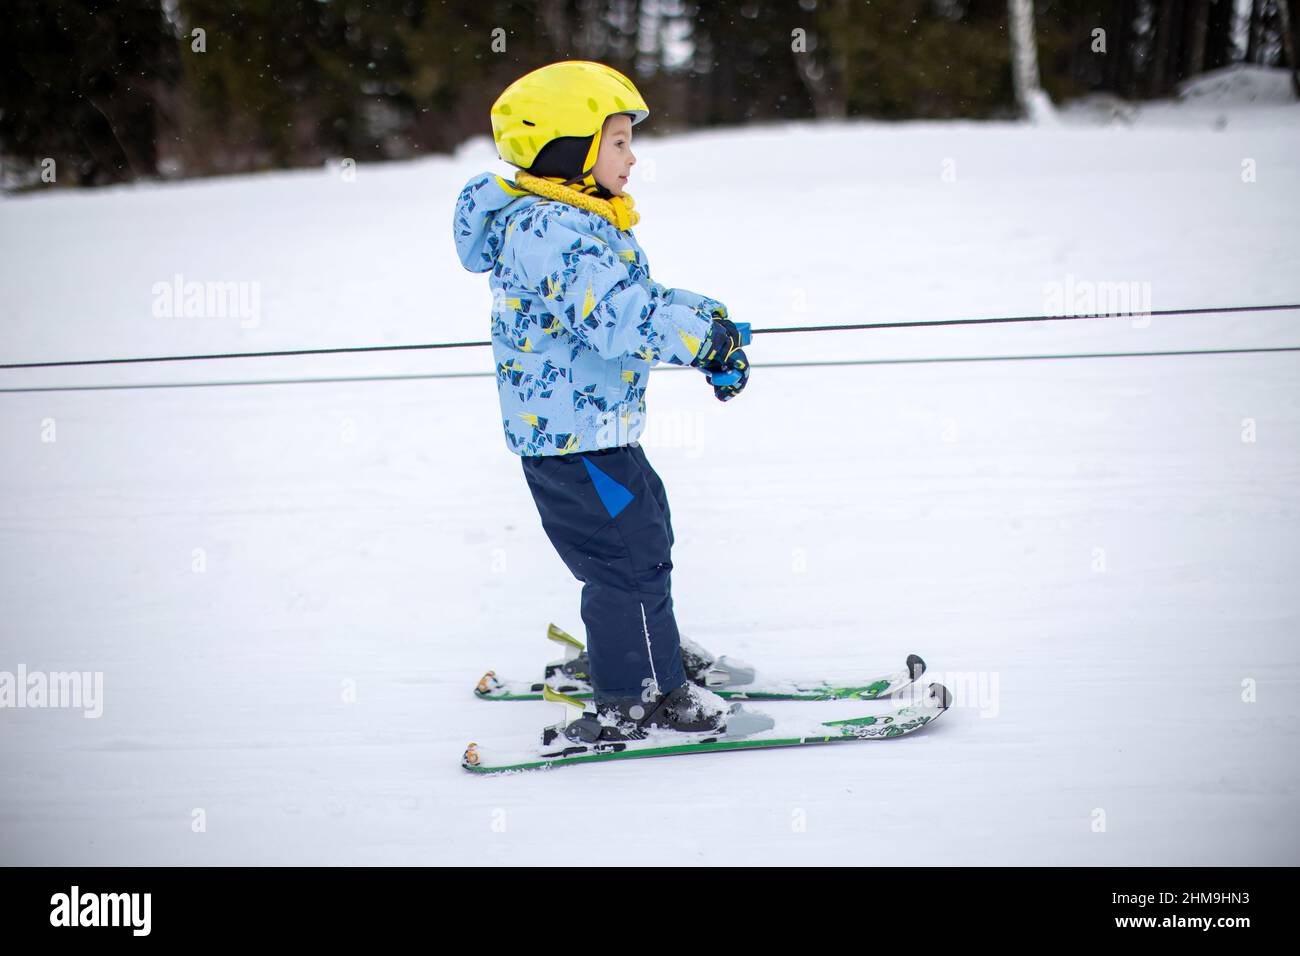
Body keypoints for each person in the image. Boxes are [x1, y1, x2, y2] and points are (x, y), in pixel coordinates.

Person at [452, 60, 751, 744]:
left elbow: (641, 300)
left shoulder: (578, 223)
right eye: (618, 141)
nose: (632, 156)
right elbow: (620, 318)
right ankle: (637, 688)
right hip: (573, 443)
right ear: (568, 150)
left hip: (596, 433)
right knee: (626, 556)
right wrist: (701, 342)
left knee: (647, 534)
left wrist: (715, 327)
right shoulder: (548, 233)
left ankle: (647, 647)